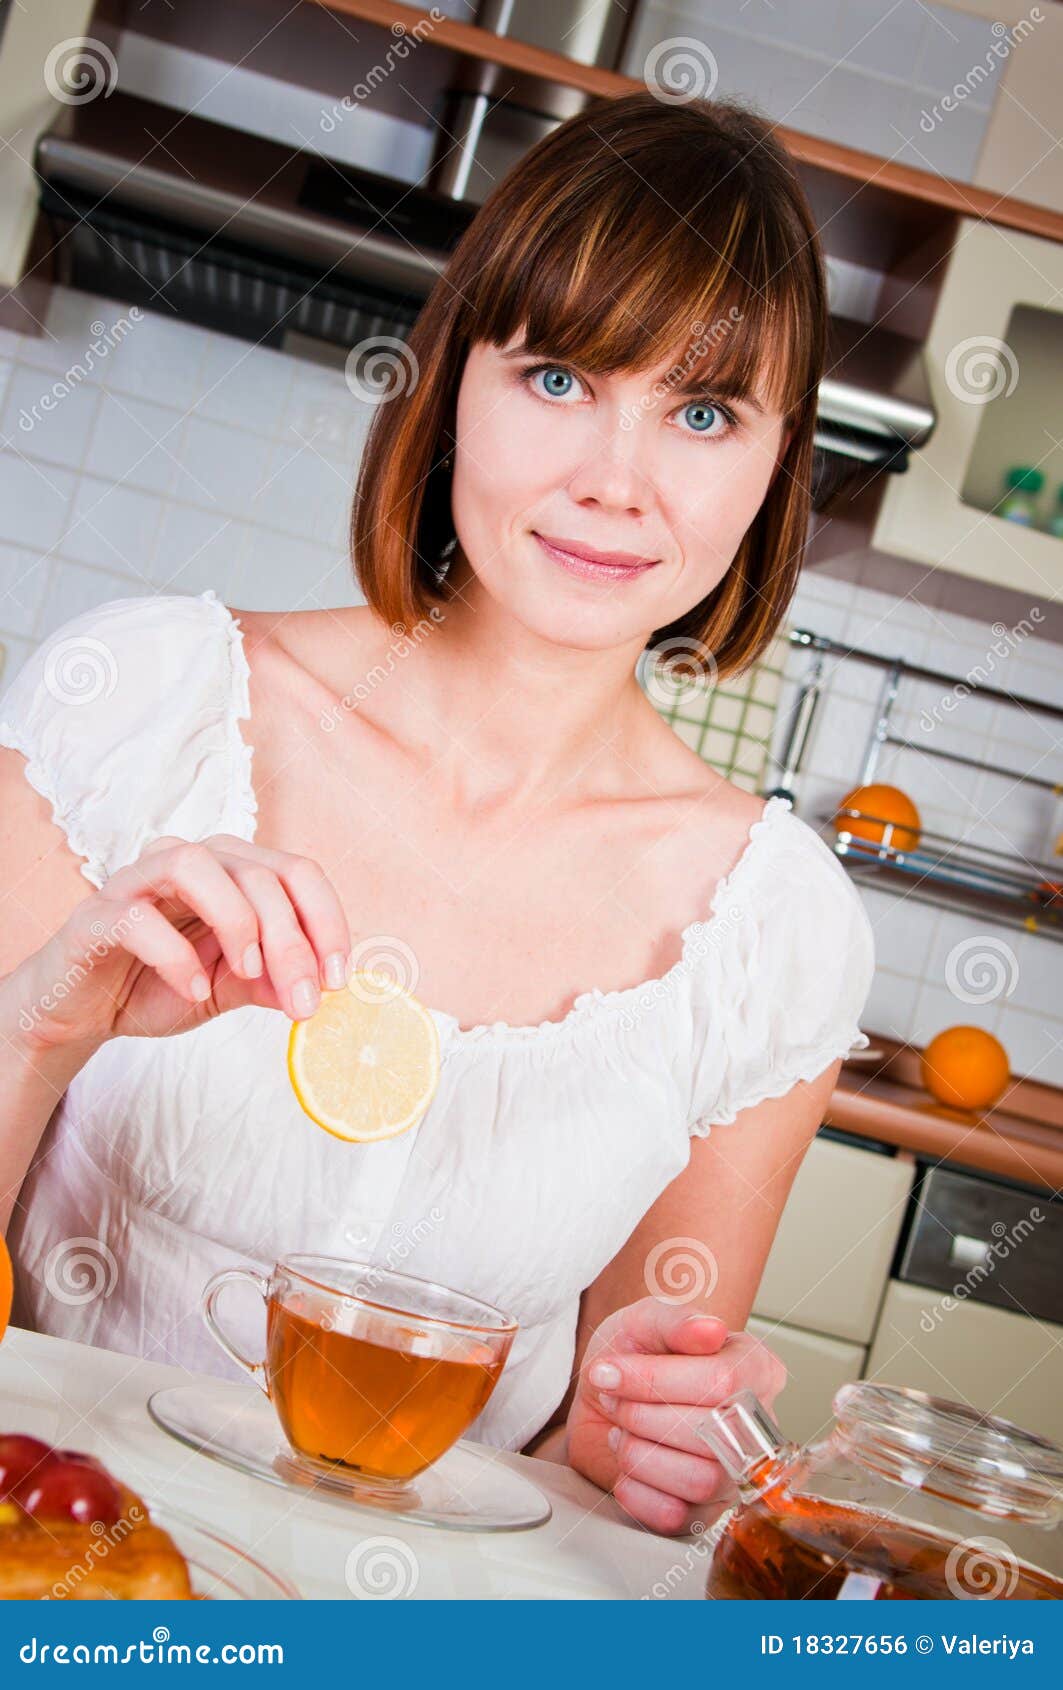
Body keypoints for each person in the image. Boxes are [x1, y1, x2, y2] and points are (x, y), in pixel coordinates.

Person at [0, 90, 873, 1537]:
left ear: (777, 465)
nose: (614, 476)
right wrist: (38, 1023)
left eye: (705, 412)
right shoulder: (136, 699)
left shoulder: (773, 933)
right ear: (452, 378)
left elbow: (619, 1436)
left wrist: (637, 1439)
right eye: (558, 379)